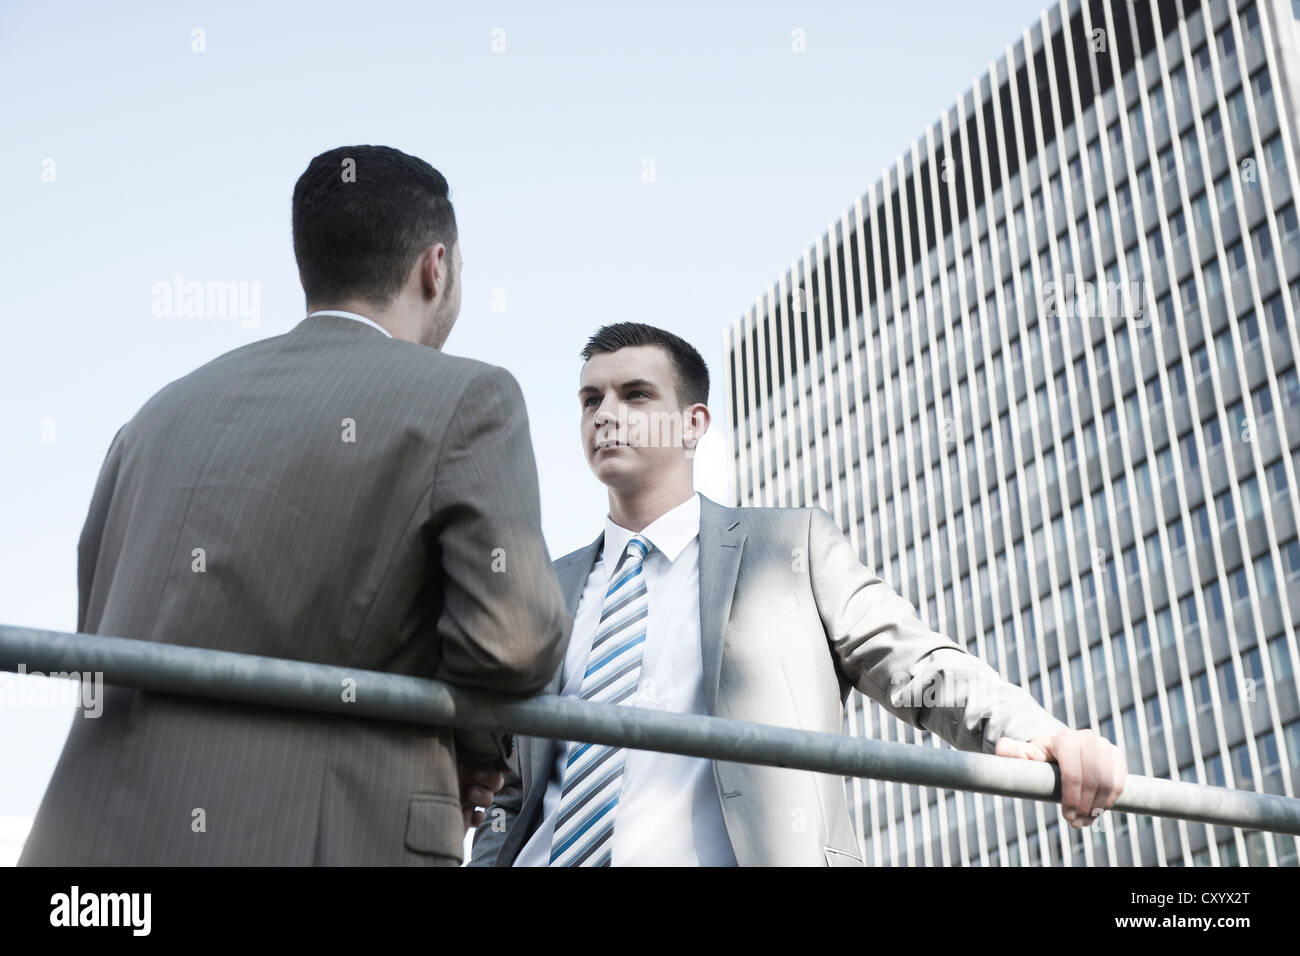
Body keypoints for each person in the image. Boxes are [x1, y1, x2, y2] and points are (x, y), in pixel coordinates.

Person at [20, 145, 569, 866]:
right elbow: (512, 640)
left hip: (89, 851)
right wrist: (472, 751)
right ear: (436, 268)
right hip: (319, 835)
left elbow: (98, 632)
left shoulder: (152, 419)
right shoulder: (468, 398)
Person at [469, 322, 1125, 866]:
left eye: (636, 395)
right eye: (591, 400)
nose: (607, 415)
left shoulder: (790, 545)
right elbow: (504, 781)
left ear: (694, 424)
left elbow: (921, 665)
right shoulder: (544, 587)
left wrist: (1042, 734)